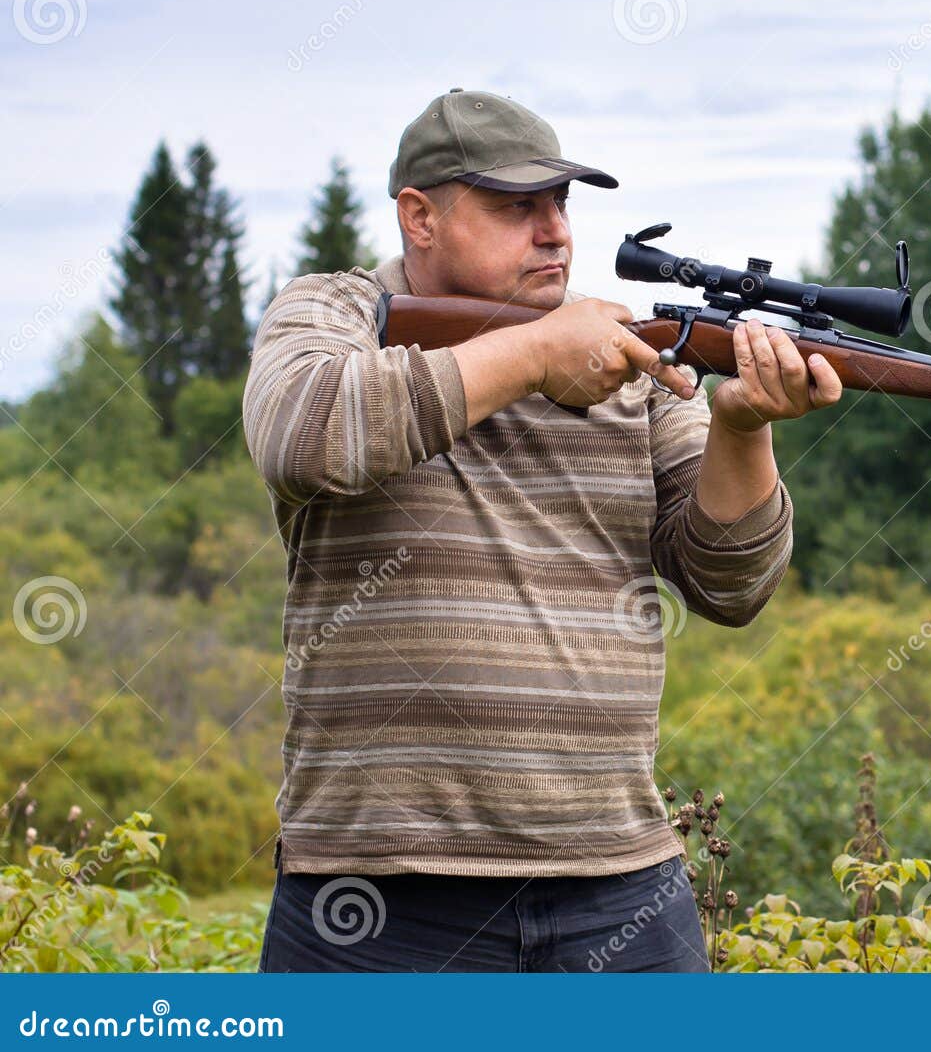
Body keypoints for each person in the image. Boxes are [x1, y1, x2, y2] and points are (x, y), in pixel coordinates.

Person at [242, 87, 843, 971]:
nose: (555, 230)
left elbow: (731, 584)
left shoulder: (629, 355)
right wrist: (534, 355)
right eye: (515, 206)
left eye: (559, 203)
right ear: (420, 217)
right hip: (378, 899)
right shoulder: (335, 313)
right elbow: (303, 432)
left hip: (621, 884)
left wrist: (742, 427)